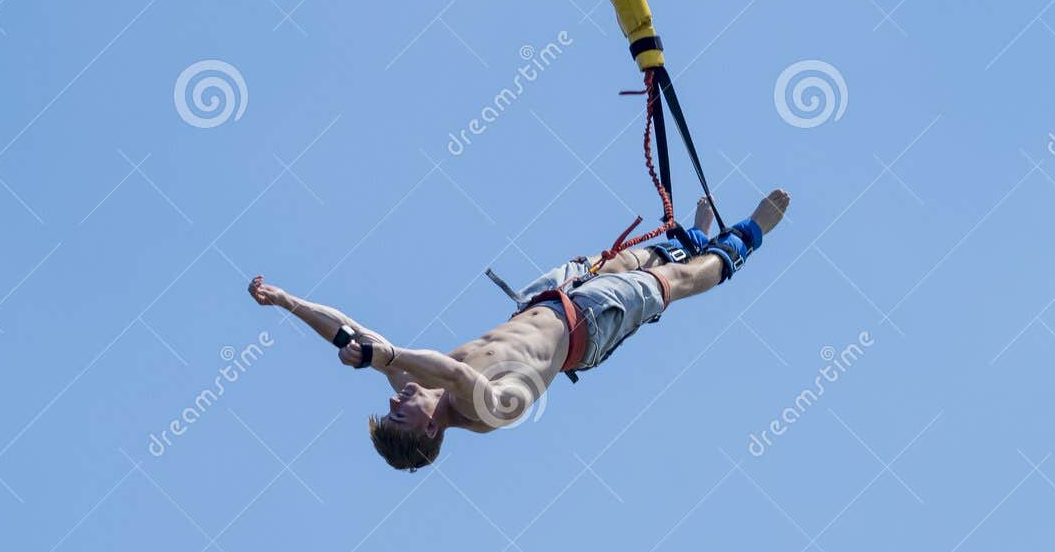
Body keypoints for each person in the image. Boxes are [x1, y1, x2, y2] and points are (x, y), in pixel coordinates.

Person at [247, 189, 789, 471]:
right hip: (586, 328)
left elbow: (350, 329)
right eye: (400, 414)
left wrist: (288, 302)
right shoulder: (486, 413)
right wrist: (382, 358)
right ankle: (746, 237)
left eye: (392, 406)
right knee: (675, 281)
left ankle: (690, 233)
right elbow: (454, 369)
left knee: (629, 256)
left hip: (542, 299)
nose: (395, 401)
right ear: (430, 431)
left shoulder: (413, 380)